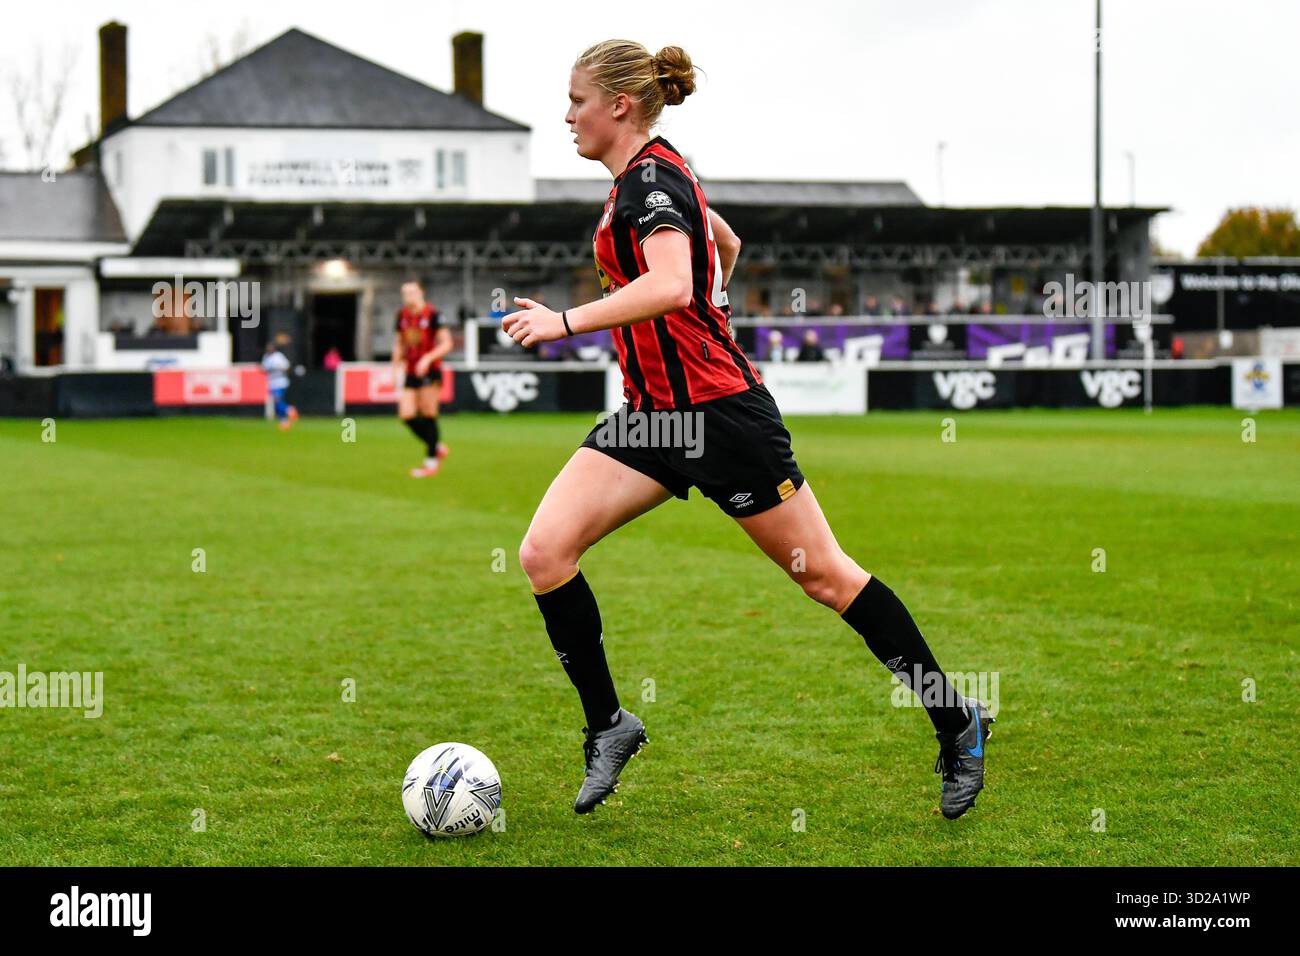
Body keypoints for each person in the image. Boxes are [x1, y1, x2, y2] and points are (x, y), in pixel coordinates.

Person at [501, 39, 992, 819]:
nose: (567, 115)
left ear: (618, 105)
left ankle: (956, 717)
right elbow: (721, 245)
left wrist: (566, 321)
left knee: (827, 576)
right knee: (543, 552)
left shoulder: (652, 181)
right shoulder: (651, 177)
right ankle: (609, 726)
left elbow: (672, 282)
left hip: (724, 419)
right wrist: (714, 304)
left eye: (577, 100)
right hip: (657, 423)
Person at [392, 280, 452, 477]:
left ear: (421, 293)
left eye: (412, 292)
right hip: (411, 372)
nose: (408, 296)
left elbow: (446, 344)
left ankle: (431, 461)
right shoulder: (402, 316)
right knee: (406, 414)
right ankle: (436, 445)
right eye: (405, 293)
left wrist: (428, 358)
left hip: (430, 372)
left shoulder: (434, 314)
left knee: (428, 413)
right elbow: (399, 343)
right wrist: (394, 368)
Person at [261, 338, 297, 430]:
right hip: (272, 383)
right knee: (277, 404)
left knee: (278, 401)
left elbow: (287, 367)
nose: (269, 348)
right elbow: (264, 369)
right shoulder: (266, 357)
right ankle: (284, 422)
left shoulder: (278, 356)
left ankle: (289, 410)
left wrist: (278, 369)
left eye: (270, 347)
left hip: (280, 382)